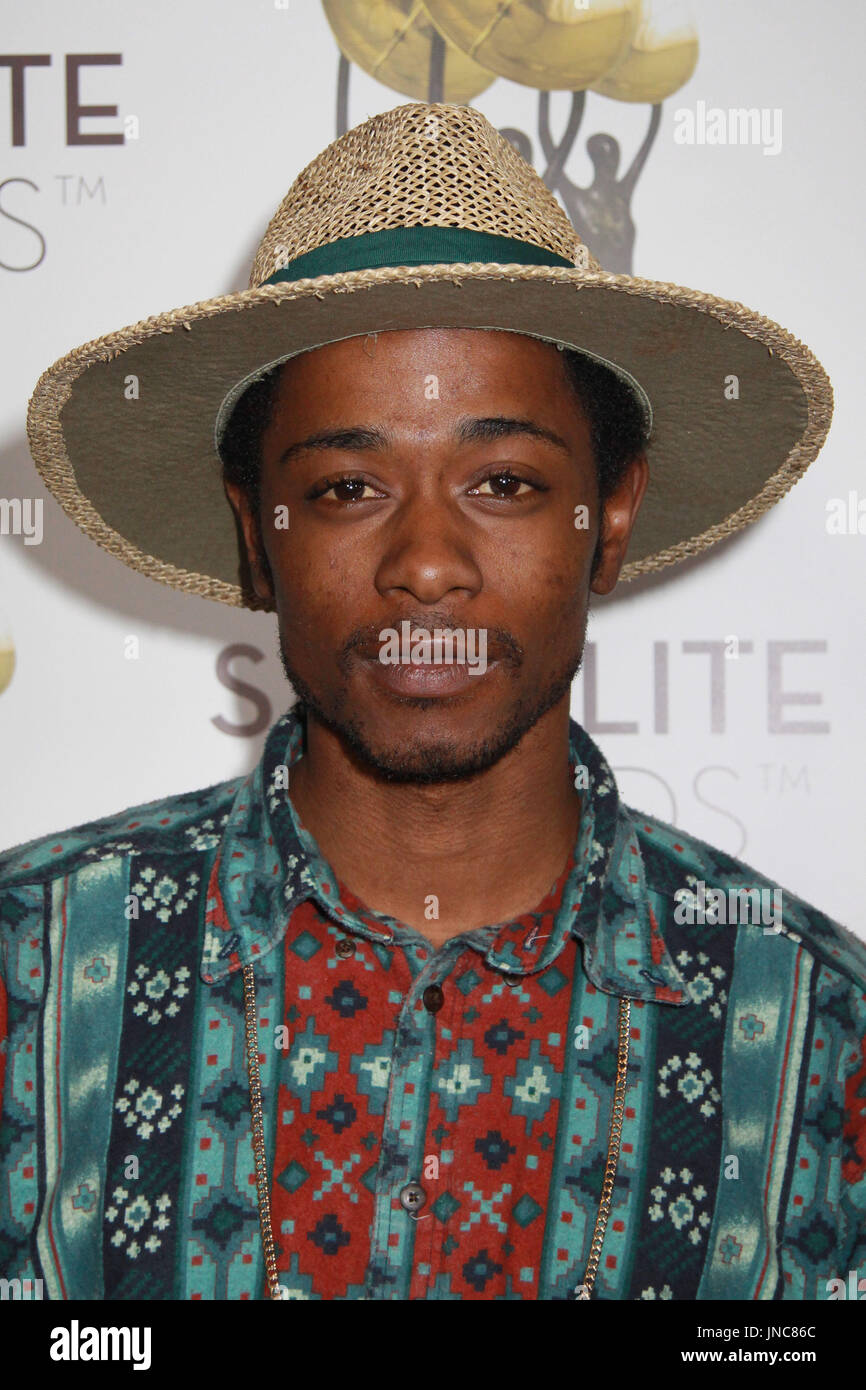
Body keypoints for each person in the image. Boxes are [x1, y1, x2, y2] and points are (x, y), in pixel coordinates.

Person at [1, 101, 863, 1302]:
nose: (425, 562)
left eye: (503, 481)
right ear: (260, 536)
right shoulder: (31, 967)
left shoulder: (816, 1027)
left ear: (606, 518)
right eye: (348, 486)